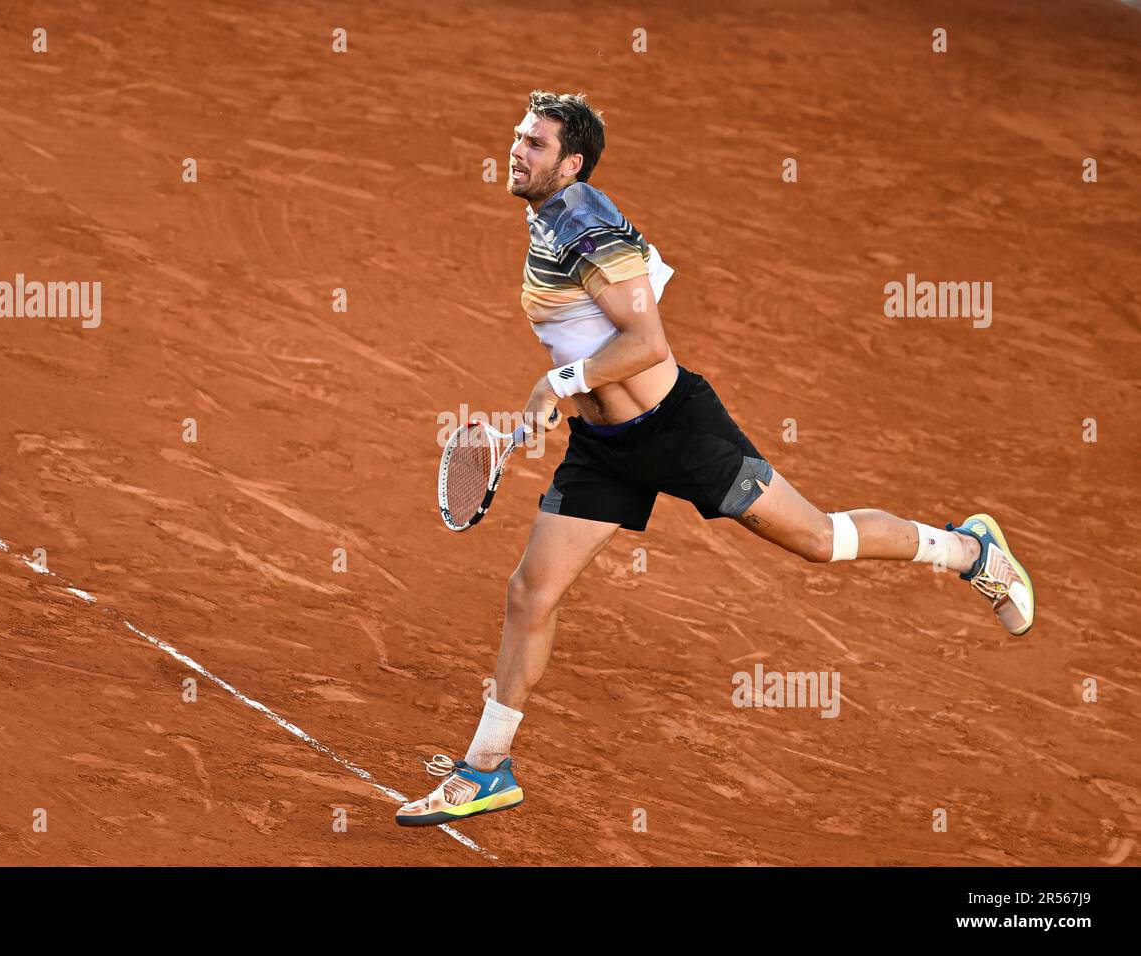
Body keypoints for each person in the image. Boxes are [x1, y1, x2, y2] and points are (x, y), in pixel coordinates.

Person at [395, 90, 1034, 828]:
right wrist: (573, 397)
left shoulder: (586, 224)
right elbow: (609, 322)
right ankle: (486, 769)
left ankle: (969, 551)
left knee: (819, 540)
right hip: (604, 450)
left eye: (535, 144)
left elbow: (648, 344)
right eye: (518, 136)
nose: (516, 150)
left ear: (571, 164)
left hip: (681, 434)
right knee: (529, 595)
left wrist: (557, 384)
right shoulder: (549, 218)